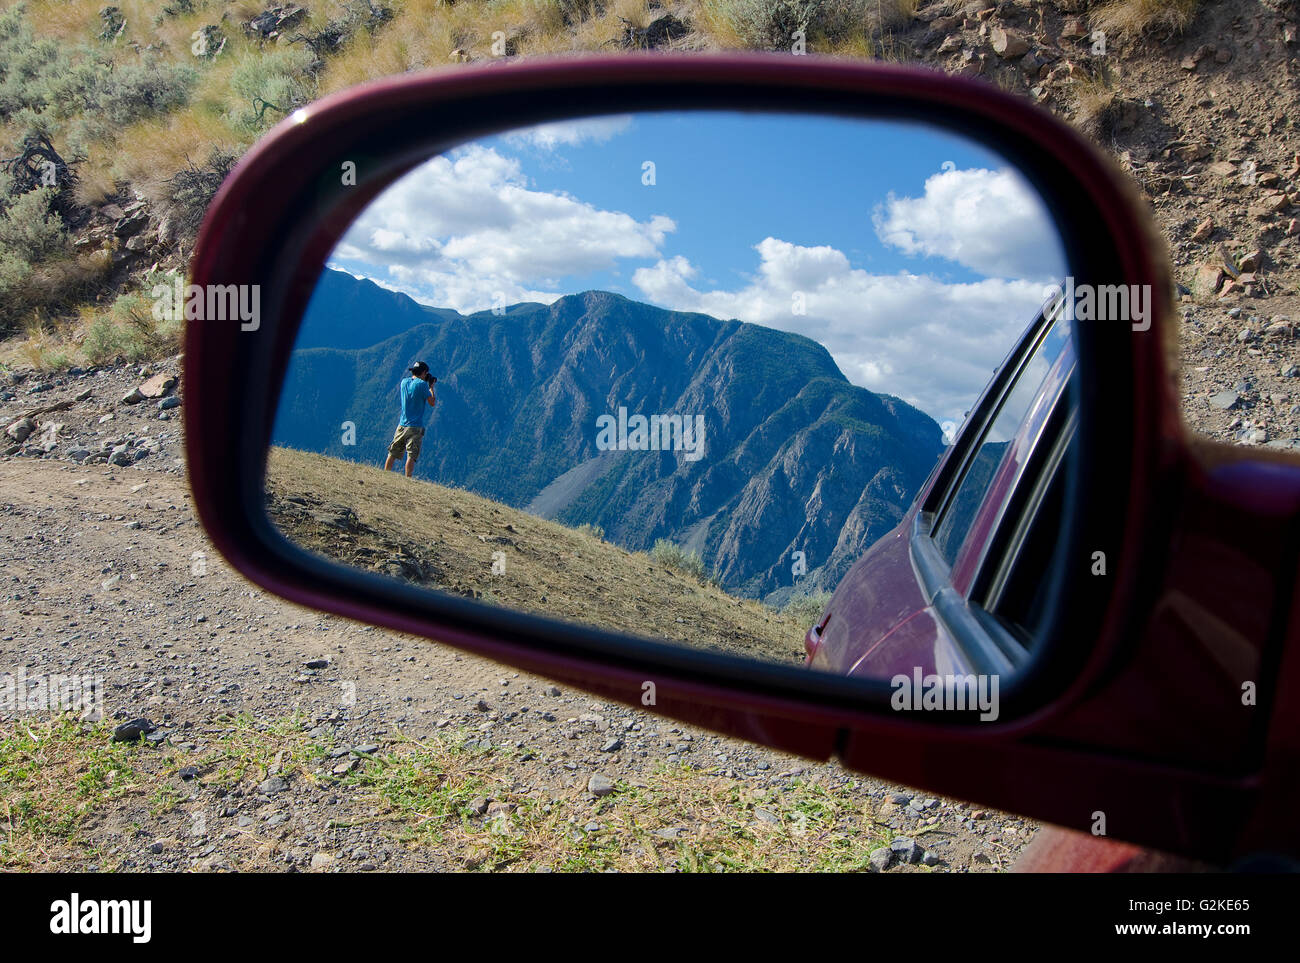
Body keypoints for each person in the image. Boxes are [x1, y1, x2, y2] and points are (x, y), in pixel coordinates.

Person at [383, 361, 436, 477]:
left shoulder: (404, 382)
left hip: (402, 424)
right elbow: (432, 402)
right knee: (411, 456)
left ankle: (385, 476)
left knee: (392, 453)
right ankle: (408, 479)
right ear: (424, 372)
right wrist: (431, 387)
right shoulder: (422, 385)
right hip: (415, 426)